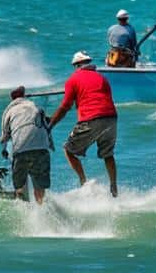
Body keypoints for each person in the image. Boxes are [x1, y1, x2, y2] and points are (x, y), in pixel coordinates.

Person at [48, 51, 119, 197]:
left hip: (91, 118)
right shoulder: (102, 78)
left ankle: (83, 182)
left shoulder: (73, 80)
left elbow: (64, 107)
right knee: (108, 154)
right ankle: (114, 188)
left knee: (68, 149)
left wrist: (51, 124)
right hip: (111, 118)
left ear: (77, 65)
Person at [0, 85, 53, 204]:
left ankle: (25, 209)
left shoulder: (8, 111)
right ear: (24, 95)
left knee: (20, 187)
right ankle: (41, 209)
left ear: (11, 98)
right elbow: (47, 128)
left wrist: (4, 151)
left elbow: (4, 138)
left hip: (21, 151)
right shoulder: (35, 107)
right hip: (41, 150)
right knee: (39, 188)